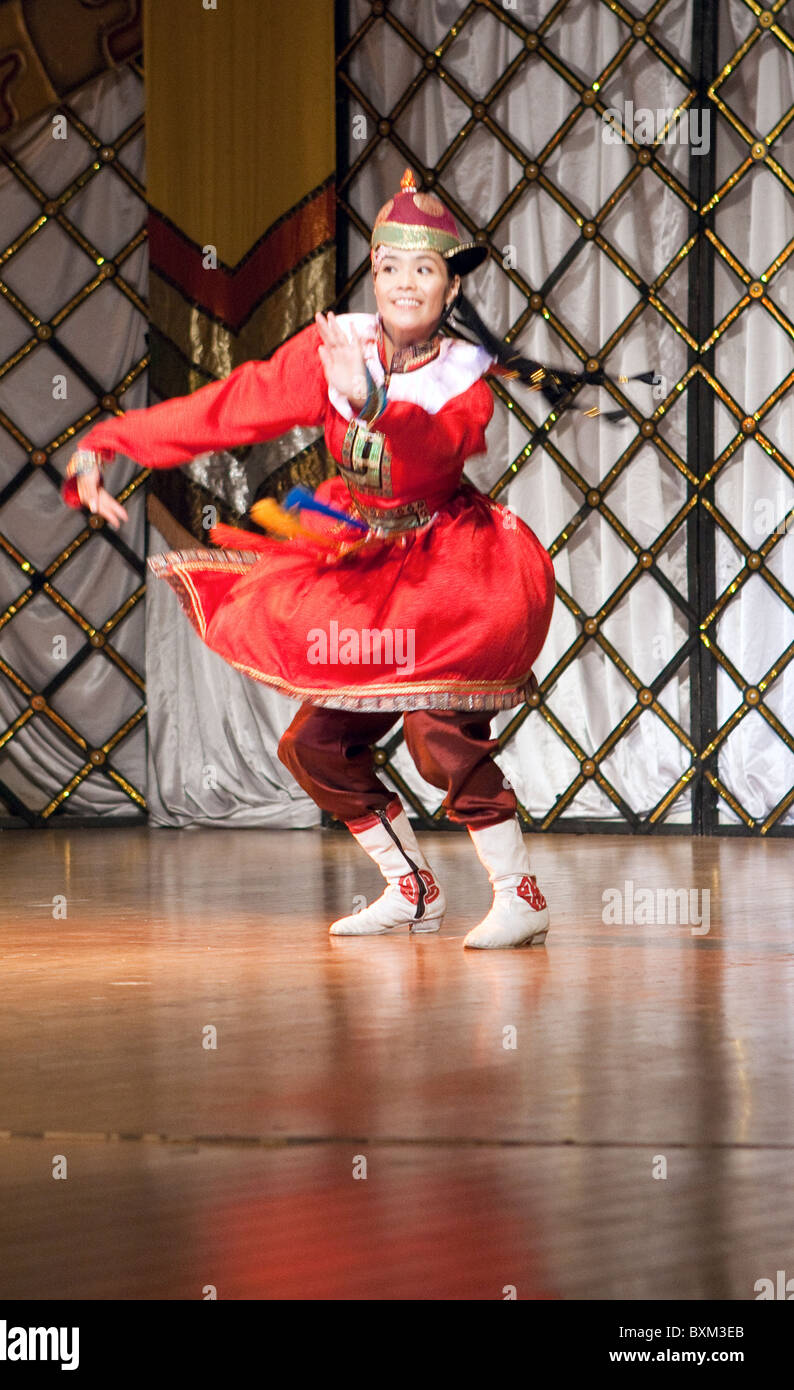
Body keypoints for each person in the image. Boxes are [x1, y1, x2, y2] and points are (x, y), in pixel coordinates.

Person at [62, 170, 593, 949]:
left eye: (424, 269)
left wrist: (373, 404)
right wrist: (108, 441)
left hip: (451, 572)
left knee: (437, 735)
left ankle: (521, 895)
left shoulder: (463, 377)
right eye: (389, 266)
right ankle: (411, 890)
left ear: (450, 287)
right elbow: (229, 408)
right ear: (373, 274)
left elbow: (434, 452)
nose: (404, 283)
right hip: (365, 565)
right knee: (312, 747)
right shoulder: (336, 350)